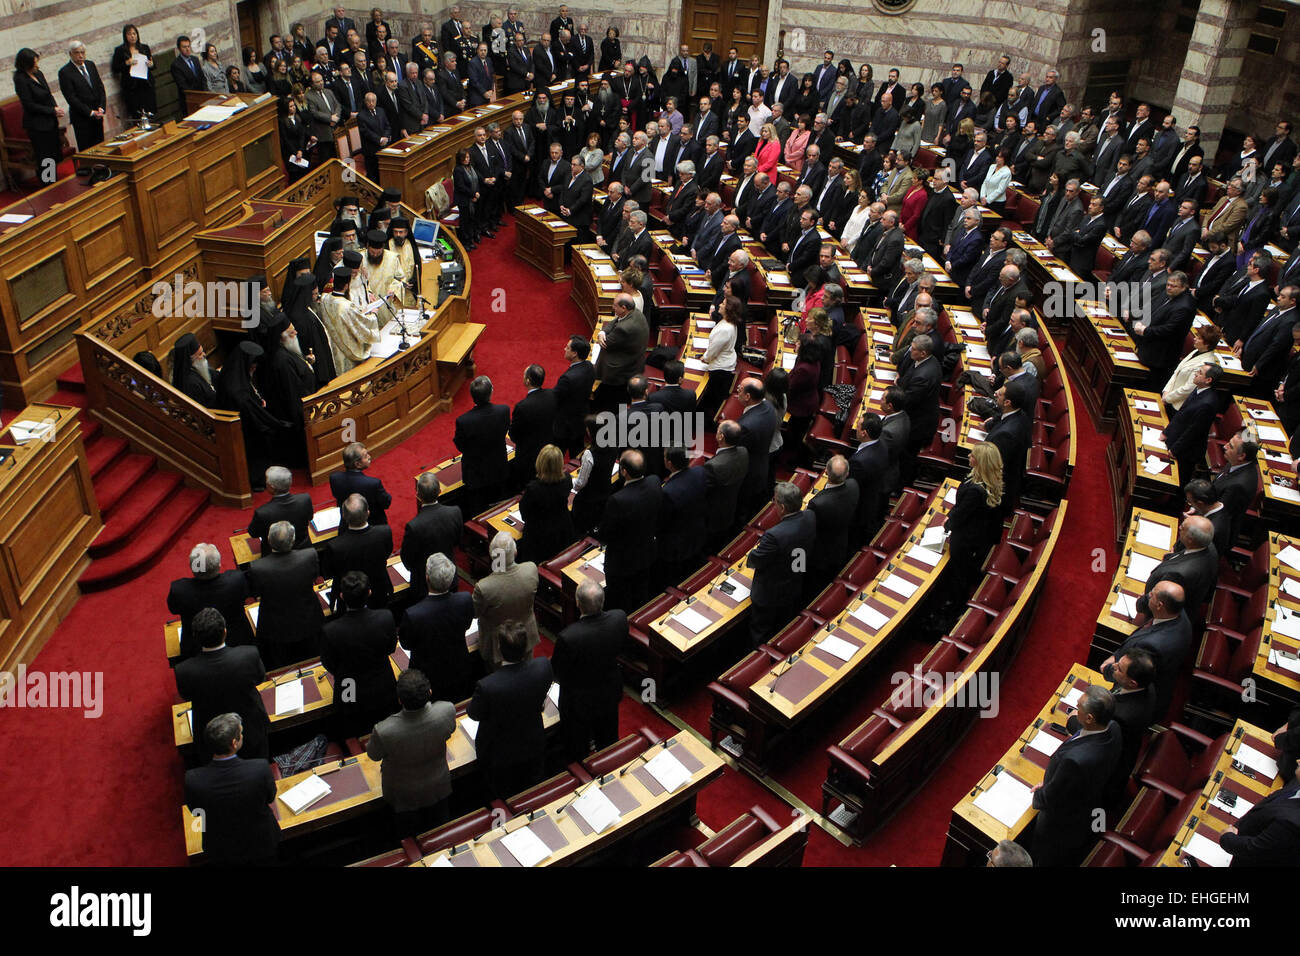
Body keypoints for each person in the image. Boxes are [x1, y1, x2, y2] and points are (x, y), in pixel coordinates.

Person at [1029, 685, 1122, 867]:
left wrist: (1043, 790)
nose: (1074, 708)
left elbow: (1052, 798)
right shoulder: (1113, 728)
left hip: (1059, 825)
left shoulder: (1075, 761)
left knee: (1042, 857)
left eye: (1078, 707)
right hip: (1089, 803)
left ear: (1089, 718)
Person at [366, 668, 457, 836]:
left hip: (403, 796)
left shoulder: (384, 730)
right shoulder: (447, 710)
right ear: (430, 692)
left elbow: (373, 755)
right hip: (439, 785)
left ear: (399, 700)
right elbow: (450, 729)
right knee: (441, 834)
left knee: (408, 835)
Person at [467, 620, 552, 800]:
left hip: (499, 754)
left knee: (503, 796)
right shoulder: (543, 667)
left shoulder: (487, 686)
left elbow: (474, 714)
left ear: (499, 647)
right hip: (533, 743)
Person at [174, 608, 269, 762]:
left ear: (195, 638)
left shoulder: (184, 670)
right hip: (250, 728)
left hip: (210, 736)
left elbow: (186, 696)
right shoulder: (248, 655)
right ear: (225, 632)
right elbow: (260, 678)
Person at [183, 713, 278, 864]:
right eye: (241, 733)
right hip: (260, 842)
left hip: (220, 847)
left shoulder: (193, 779)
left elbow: (195, 810)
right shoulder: (260, 768)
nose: (242, 735)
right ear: (234, 743)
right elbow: (270, 797)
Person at [551, 580, 624, 760]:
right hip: (609, 690)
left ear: (577, 603)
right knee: (608, 740)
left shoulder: (568, 637)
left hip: (579, 702)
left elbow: (558, 672)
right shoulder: (619, 618)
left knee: (578, 746)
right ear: (603, 600)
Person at [1100, 581, 1193, 718]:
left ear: (1160, 605)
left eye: (1152, 594)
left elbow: (1130, 674)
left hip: (1143, 696)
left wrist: (1107, 669)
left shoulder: (1152, 646)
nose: (1148, 595)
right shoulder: (1177, 611)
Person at [320, 570, 397, 736]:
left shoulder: (331, 630)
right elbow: (391, 648)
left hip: (349, 687)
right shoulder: (385, 617)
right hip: (382, 684)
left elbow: (329, 663)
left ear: (341, 596)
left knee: (353, 727)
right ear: (369, 593)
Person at [246, 519, 324, 667]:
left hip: (275, 628)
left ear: (268, 540)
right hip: (308, 619)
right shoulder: (310, 556)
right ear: (293, 540)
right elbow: (314, 577)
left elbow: (255, 592)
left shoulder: (257, 568)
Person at [399, 553, 474, 706]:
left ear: (426, 578)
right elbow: (466, 625)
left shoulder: (413, 614)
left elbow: (406, 644)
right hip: (458, 665)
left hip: (426, 675)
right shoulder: (465, 600)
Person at [748, 481, 818, 645]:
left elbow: (755, 560)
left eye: (775, 501)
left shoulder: (774, 535)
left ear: (782, 507)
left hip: (771, 594)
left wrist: (752, 554)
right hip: (794, 583)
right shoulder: (810, 516)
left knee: (761, 632)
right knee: (783, 626)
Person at [596, 450, 662, 612]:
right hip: (647, 553)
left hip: (621, 563)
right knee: (640, 594)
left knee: (620, 602)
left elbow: (604, 535)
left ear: (624, 471)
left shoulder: (618, 500)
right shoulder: (654, 482)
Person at [167, 543, 253, 658]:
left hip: (196, 647)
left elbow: (173, 609)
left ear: (192, 568)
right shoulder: (236, 580)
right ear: (219, 565)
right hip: (237, 641)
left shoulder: (179, 590)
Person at [1218, 750, 1300, 866]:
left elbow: (1254, 849)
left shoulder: (1292, 824)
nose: (1298, 761)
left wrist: (1227, 838)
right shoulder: (1297, 781)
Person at [945, 442, 1004, 600]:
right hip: (978, 534)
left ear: (981, 462)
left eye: (973, 455)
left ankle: (954, 603)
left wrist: (946, 523)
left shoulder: (975, 491)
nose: (969, 456)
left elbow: (959, 516)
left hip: (965, 540)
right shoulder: (989, 480)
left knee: (959, 573)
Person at [473, 532, 539, 670]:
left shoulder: (484, 587)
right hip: (525, 635)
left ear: (492, 555)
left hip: (498, 646)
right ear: (515, 552)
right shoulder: (531, 569)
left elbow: (475, 613)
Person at [323, 494, 393, 612]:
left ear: (344, 517)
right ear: (368, 513)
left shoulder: (335, 546)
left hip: (349, 596)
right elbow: (387, 553)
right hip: (379, 590)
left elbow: (329, 572)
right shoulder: (384, 533)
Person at [454, 375, 511, 517]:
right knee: (497, 504)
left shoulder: (464, 421)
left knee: (477, 508)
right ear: (491, 392)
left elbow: (460, 445)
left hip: (475, 474)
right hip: (498, 467)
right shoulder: (503, 411)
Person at [1162, 361, 1224, 479]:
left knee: (1179, 480)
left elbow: (1193, 431)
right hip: (1177, 438)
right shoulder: (1198, 389)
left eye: (1200, 372)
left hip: (1186, 451)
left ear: (1208, 380)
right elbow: (1181, 414)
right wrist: (1166, 433)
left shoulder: (1208, 403)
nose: (1195, 373)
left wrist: (1175, 450)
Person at [12, 48, 64, 184]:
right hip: (37, 125)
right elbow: (29, 105)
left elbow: (47, 93)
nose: (37, 65)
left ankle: (53, 179)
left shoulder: (39, 74)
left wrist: (56, 108)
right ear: (25, 64)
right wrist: (52, 110)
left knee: (53, 154)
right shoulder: (20, 79)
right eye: (34, 63)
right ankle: (48, 183)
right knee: (45, 157)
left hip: (50, 121)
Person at [808, 454, 859, 587]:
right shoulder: (853, 485)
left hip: (819, 555)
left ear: (826, 471)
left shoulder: (818, 503)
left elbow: (810, 531)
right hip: (840, 545)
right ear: (847, 474)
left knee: (814, 585)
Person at [592, 293, 649, 412]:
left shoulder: (625, 328)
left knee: (610, 401)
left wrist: (602, 336)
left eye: (615, 305)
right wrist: (602, 332)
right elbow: (615, 321)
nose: (613, 307)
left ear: (624, 308)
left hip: (620, 370)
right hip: (635, 359)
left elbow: (606, 344)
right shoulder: (635, 313)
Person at [248, 466, 312, 554]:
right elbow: (310, 518)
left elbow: (253, 533)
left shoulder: (262, 513)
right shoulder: (305, 499)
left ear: (271, 487)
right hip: (303, 549)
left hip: (274, 554)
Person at [552, 336, 596, 456]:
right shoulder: (589, 367)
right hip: (580, 419)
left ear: (574, 353)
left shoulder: (567, 379)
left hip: (564, 425)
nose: (564, 348)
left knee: (556, 456)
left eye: (567, 347)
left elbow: (554, 398)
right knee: (576, 453)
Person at [59, 41, 106, 152]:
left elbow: (100, 88)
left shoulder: (90, 65)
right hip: (82, 118)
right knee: (88, 150)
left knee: (101, 147)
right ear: (70, 54)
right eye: (77, 53)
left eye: (82, 52)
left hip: (97, 116)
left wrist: (101, 107)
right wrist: (90, 112)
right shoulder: (65, 72)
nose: (80, 56)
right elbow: (71, 98)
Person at [329, 442, 391, 525]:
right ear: (357, 464)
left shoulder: (334, 477)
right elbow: (386, 503)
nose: (369, 457)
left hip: (346, 522)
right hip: (371, 523)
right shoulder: (373, 484)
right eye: (366, 456)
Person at [111, 24, 155, 119]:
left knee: (149, 111)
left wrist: (151, 64)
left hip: (145, 84)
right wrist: (126, 63)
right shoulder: (120, 50)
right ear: (125, 36)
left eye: (134, 34)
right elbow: (115, 68)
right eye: (129, 34)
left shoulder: (144, 48)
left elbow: (152, 64)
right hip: (132, 87)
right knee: (137, 113)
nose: (132, 36)